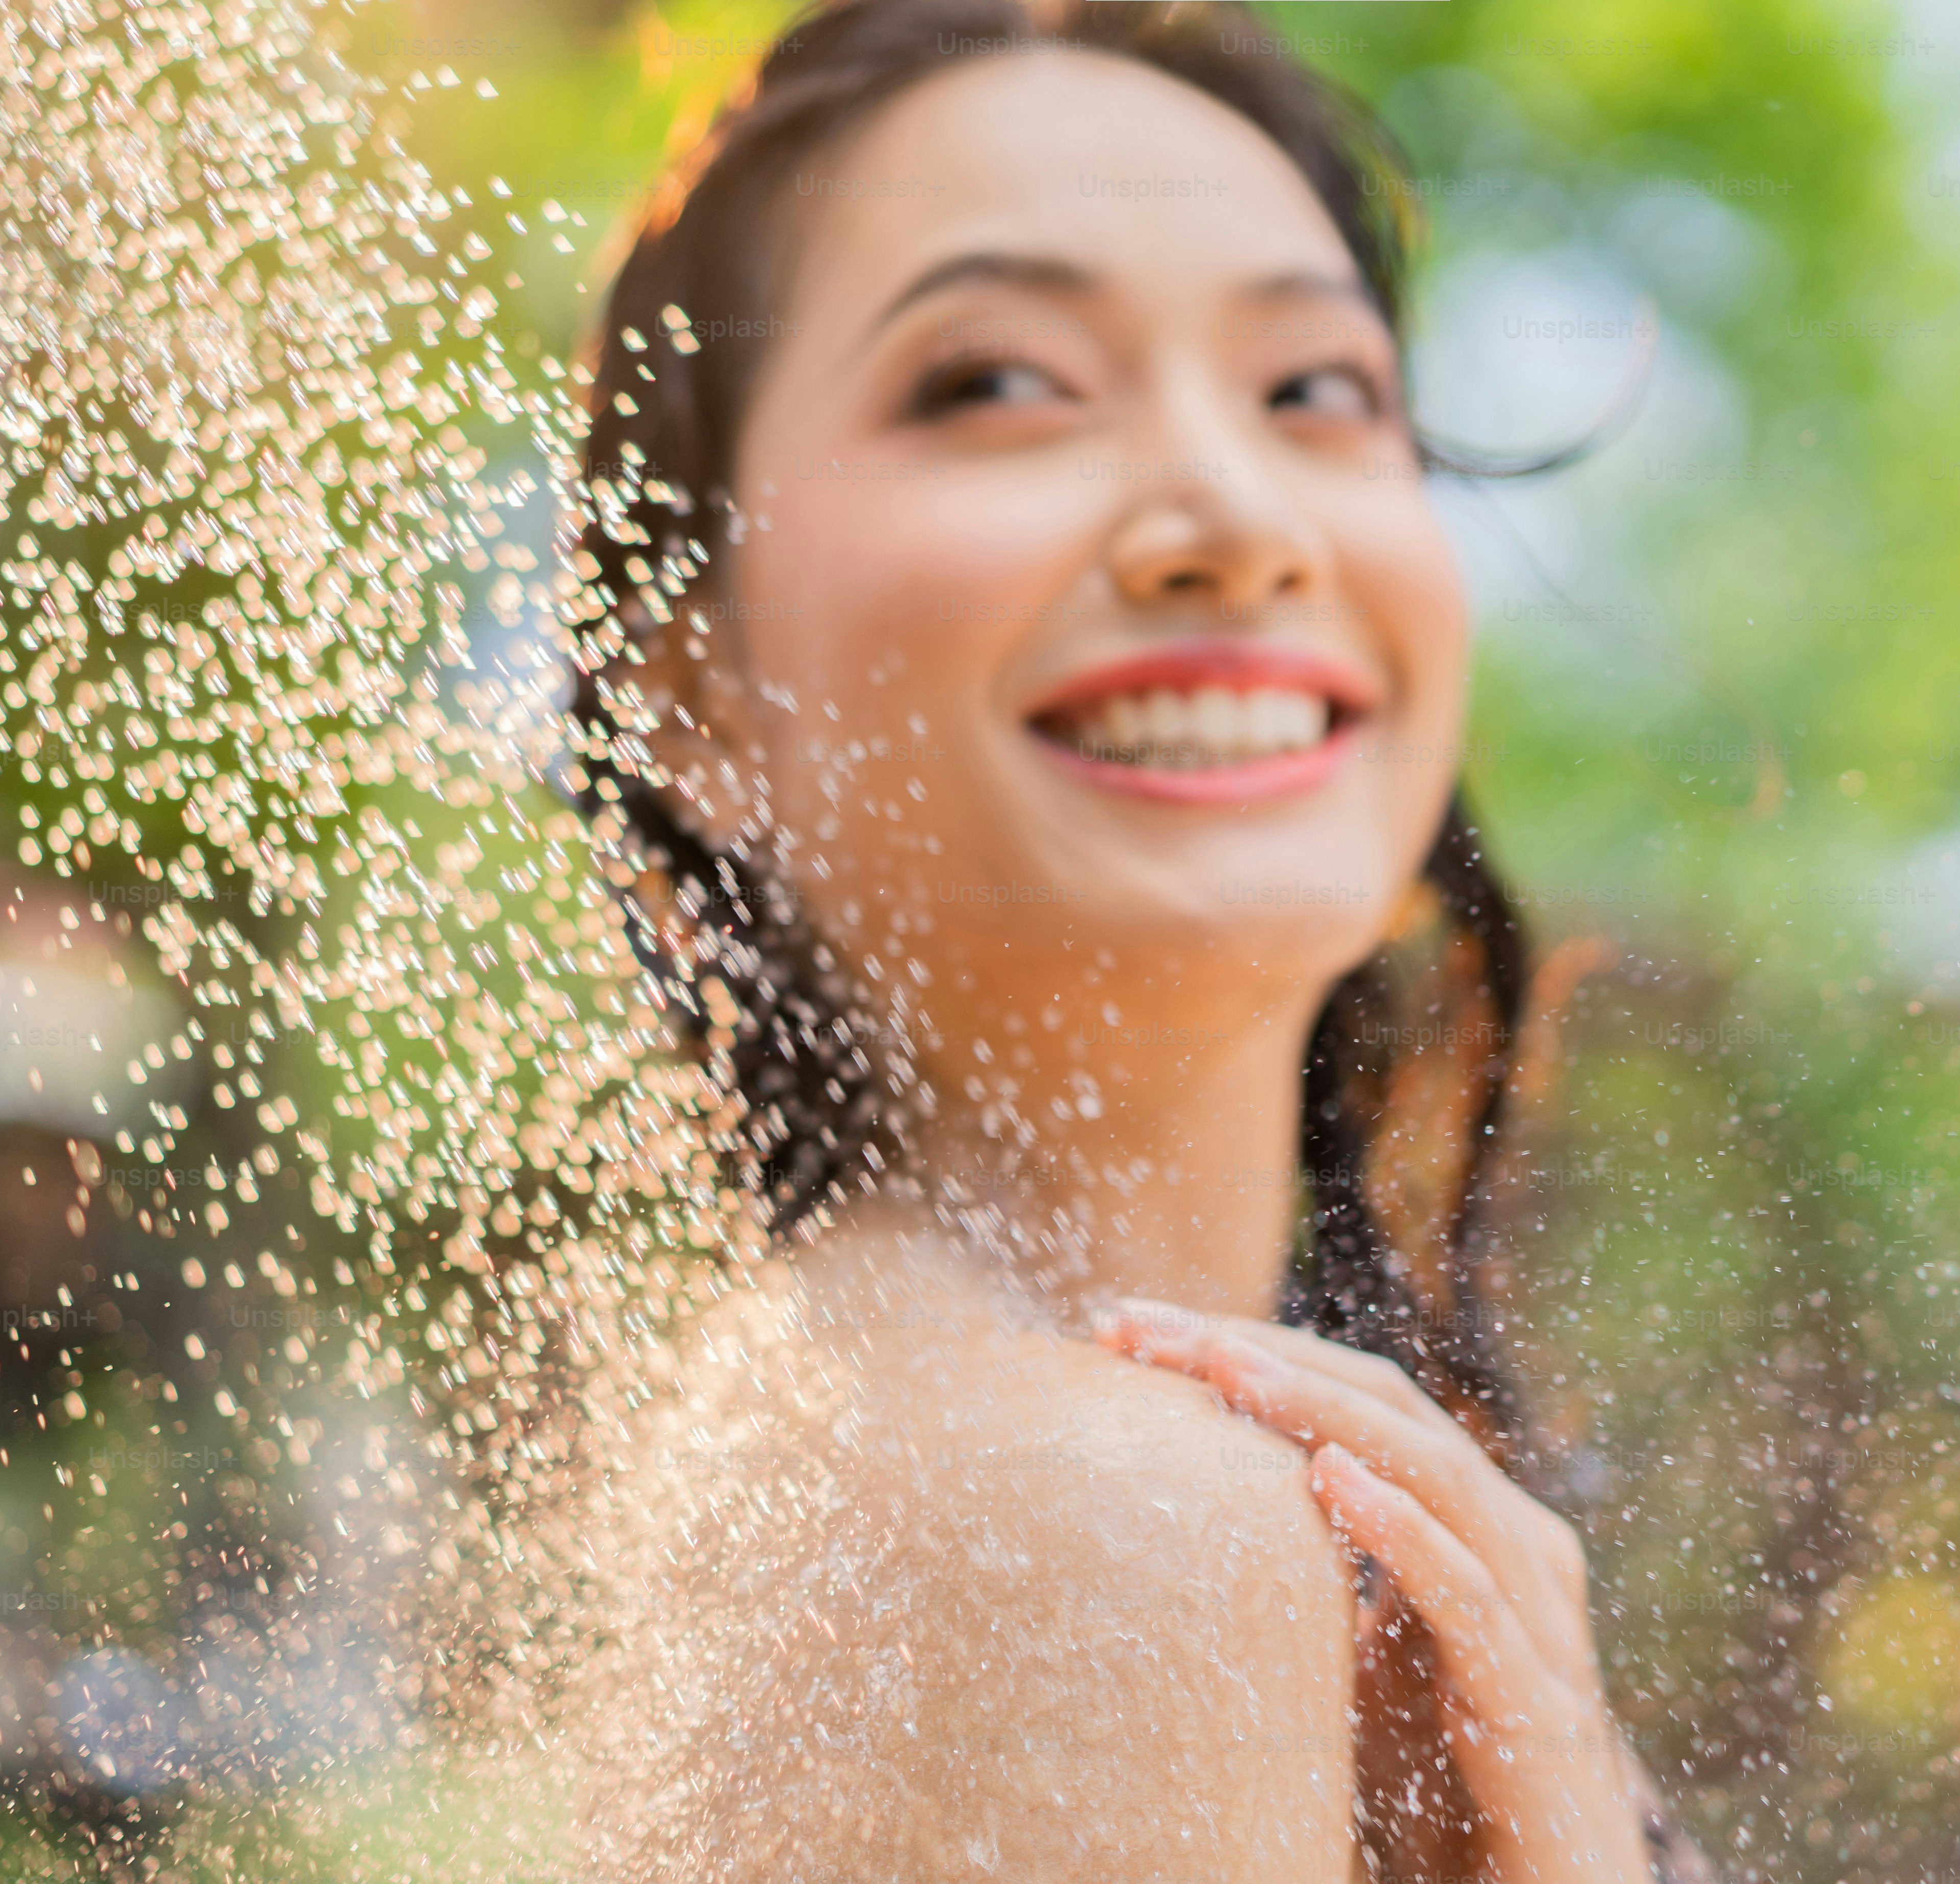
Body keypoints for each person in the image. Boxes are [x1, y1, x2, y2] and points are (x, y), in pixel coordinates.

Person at [558, 3, 1707, 1877]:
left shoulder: (861, 1429)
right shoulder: (1087, 1516)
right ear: (693, 694)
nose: (1235, 518)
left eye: (1314, 392)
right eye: (999, 381)